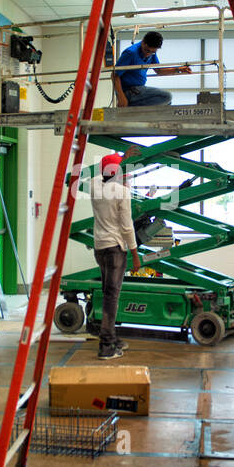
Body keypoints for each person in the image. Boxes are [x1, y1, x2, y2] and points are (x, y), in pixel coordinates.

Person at [89, 153, 142, 360]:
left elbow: (101, 174)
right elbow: (127, 227)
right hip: (115, 250)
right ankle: (107, 345)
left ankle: (111, 336)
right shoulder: (122, 192)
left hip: (99, 248)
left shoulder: (94, 186)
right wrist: (135, 255)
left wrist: (121, 158)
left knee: (107, 293)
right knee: (112, 297)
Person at [116, 30, 177, 107]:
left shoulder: (151, 54)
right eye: (147, 50)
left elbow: (159, 71)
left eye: (152, 52)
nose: (148, 54)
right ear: (143, 42)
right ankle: (130, 106)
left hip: (139, 89)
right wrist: (121, 97)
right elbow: (115, 76)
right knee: (167, 97)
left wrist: (179, 69)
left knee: (167, 103)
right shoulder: (130, 53)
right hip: (130, 91)